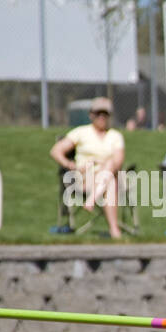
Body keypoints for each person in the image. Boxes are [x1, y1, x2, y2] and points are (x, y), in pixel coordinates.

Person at [49, 96, 126, 239]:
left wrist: (103, 166)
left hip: (109, 177)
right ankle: (115, 231)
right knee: (110, 181)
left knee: (109, 168)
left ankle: (92, 200)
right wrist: (69, 164)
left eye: (105, 114)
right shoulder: (81, 132)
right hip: (84, 179)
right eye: (98, 114)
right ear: (91, 115)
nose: (102, 117)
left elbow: (118, 161)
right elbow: (55, 151)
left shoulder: (115, 136)